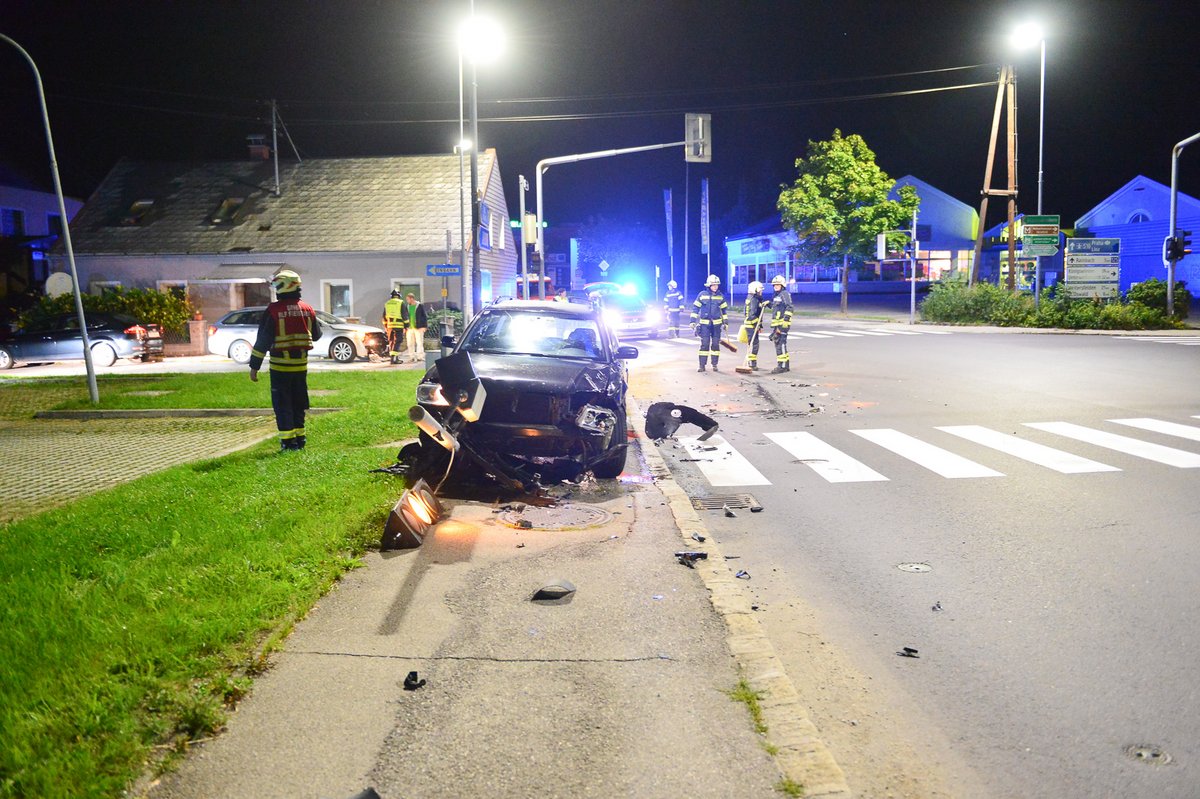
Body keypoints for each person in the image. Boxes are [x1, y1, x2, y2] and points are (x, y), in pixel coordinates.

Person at [249, 269, 322, 451]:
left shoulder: (274, 310)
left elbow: (263, 340)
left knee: (283, 404)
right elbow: (318, 335)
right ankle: (300, 439)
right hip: (300, 367)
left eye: (276, 284)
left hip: (280, 367)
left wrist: (254, 367)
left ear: (284, 285)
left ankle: (288, 443)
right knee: (298, 402)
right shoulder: (307, 309)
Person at [689, 274, 728, 372]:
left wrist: (725, 323)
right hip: (705, 325)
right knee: (705, 344)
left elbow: (724, 311)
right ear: (709, 285)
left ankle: (714, 364)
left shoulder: (720, 296)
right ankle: (702, 365)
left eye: (717, 285)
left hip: (716, 325)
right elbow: (695, 308)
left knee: (715, 345)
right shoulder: (702, 295)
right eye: (714, 285)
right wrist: (692, 321)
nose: (716, 287)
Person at [767, 274, 793, 373]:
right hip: (778, 324)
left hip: (782, 324)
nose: (776, 286)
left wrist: (786, 320)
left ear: (782, 285)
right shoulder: (777, 295)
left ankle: (781, 366)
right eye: (774, 285)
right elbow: (776, 307)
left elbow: (789, 307)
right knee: (779, 343)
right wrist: (768, 304)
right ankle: (785, 365)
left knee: (780, 344)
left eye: (777, 285)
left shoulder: (784, 294)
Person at [742, 280, 765, 371]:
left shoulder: (751, 298)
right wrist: (757, 325)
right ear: (755, 290)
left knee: (752, 344)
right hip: (751, 325)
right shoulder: (754, 299)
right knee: (754, 344)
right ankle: (751, 363)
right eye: (760, 290)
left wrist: (759, 325)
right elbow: (752, 315)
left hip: (750, 325)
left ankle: (751, 362)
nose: (761, 292)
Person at [382, 289, 405, 364]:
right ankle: (394, 359)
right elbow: (405, 315)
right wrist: (406, 326)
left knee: (391, 341)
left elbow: (384, 316)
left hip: (389, 327)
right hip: (398, 326)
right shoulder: (401, 303)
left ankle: (392, 359)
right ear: (399, 296)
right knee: (398, 341)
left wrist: (386, 326)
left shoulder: (387, 303)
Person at [404, 293, 428, 364]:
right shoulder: (407, 306)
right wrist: (406, 327)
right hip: (410, 328)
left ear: (412, 298)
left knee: (419, 342)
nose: (407, 301)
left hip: (419, 327)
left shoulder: (420, 306)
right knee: (410, 343)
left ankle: (420, 356)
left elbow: (424, 316)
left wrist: (424, 326)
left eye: (408, 299)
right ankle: (412, 357)